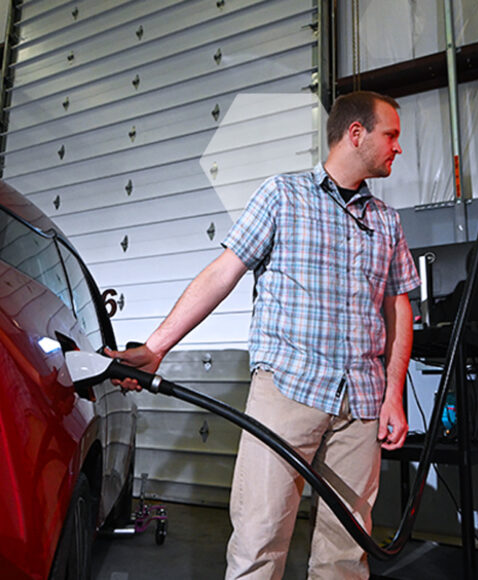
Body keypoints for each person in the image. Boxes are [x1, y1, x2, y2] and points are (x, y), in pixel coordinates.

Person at [108, 90, 420, 579]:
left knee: (346, 552)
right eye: (391, 135)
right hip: (288, 391)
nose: (398, 147)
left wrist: (394, 393)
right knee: (259, 538)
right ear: (356, 134)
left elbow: (399, 309)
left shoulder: (386, 222)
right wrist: (156, 347)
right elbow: (223, 272)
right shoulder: (283, 195)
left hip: (361, 402)